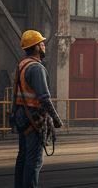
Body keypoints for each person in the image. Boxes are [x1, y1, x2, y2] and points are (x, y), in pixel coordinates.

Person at [13, 30, 63, 188]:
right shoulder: (36, 68)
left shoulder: (22, 64)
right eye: (41, 43)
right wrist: (56, 119)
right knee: (34, 160)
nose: (44, 46)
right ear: (35, 47)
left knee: (23, 157)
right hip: (33, 118)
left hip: (22, 116)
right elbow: (44, 98)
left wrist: (13, 115)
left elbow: (16, 93)